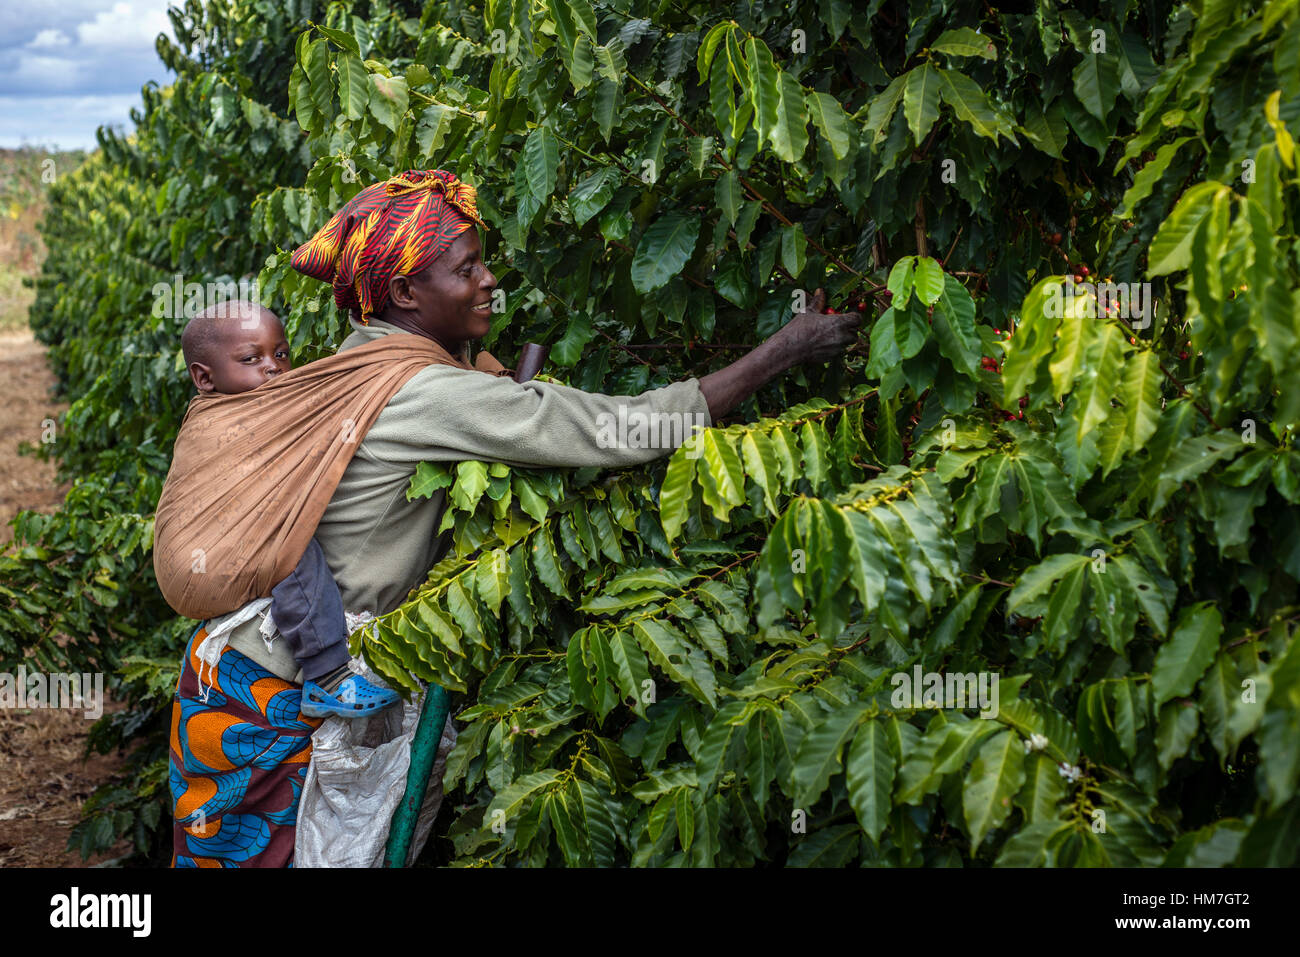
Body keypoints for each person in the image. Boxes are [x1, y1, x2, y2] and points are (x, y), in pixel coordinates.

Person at [167, 168, 860, 867]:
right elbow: (615, 430)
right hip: (278, 695)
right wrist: (786, 351)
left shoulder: (360, 360)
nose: (489, 279)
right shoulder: (421, 389)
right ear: (405, 293)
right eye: (466, 268)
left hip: (233, 671)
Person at [178, 302, 400, 719]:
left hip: (232, 540)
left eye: (281, 353)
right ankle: (328, 674)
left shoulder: (266, 404)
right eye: (251, 358)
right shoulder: (221, 420)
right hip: (231, 540)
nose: (273, 367)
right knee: (294, 556)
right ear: (203, 378)